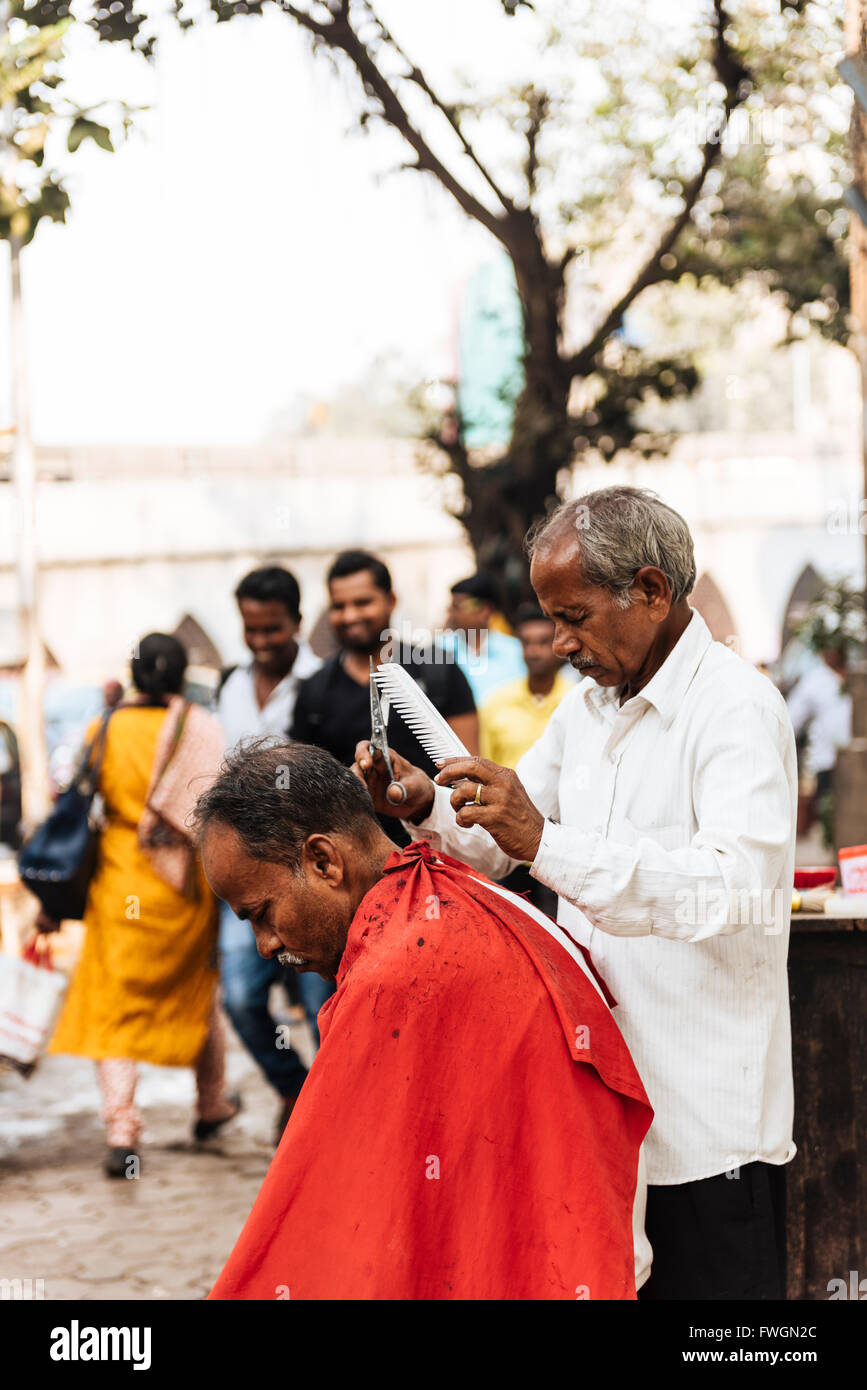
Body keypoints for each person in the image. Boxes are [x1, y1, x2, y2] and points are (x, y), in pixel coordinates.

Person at [356, 485, 798, 1302]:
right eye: (550, 618)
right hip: (600, 1107)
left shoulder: (735, 709)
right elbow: (503, 842)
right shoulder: (588, 710)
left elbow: (730, 891)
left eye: (574, 617)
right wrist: (424, 810)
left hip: (704, 1123)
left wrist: (545, 842)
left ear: (651, 592)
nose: (558, 642)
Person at [194, 741, 653, 1300]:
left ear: (323, 861)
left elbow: (326, 1216)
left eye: (261, 914)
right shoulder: (445, 887)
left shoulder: (398, 974)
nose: (264, 946)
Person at [40, 634, 238, 1177]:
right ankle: (211, 1103)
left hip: (119, 878)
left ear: (132, 673)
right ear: (180, 677)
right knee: (198, 992)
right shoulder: (200, 727)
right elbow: (211, 804)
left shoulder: (103, 727)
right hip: (182, 885)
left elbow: (79, 797)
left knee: (115, 1004)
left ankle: (122, 1130)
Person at [216, 565, 328, 1141]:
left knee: (319, 1000)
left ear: (297, 623)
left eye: (272, 629)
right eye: (251, 629)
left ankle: (332, 1114)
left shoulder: (322, 682)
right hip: (244, 870)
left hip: (307, 871)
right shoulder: (229, 685)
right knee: (238, 995)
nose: (261, 641)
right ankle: (296, 1086)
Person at [290, 550, 478, 840]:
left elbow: (470, 773)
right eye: (339, 606)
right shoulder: (314, 690)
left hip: (442, 852)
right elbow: (305, 790)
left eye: (363, 602)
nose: (350, 615)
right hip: (354, 860)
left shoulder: (438, 671)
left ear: (390, 601)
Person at [480, 602, 574, 916]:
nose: (534, 651)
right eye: (526, 643)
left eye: (543, 642)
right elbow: (485, 770)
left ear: (559, 646)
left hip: (566, 848)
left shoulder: (579, 703)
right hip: (510, 854)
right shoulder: (496, 703)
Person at [785, 644, 851, 843]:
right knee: (834, 824)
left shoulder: (856, 672)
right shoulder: (814, 681)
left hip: (859, 762)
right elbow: (790, 720)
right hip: (828, 762)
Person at [443, 572, 526, 705]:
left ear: (485, 610)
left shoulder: (515, 651)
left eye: (458, 607)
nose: (451, 614)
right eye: (451, 607)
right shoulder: (439, 650)